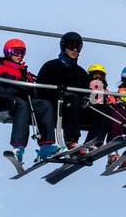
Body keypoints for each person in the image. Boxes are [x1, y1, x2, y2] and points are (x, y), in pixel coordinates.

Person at [31, 31, 91, 159]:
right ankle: (71, 140)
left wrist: (86, 98)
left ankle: (96, 141)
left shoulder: (81, 73)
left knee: (98, 108)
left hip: (74, 109)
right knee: (72, 98)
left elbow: (86, 91)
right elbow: (40, 90)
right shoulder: (51, 66)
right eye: (71, 45)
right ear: (64, 47)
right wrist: (58, 92)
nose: (75, 49)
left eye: (78, 47)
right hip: (53, 105)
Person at [0, 38, 35, 165]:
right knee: (22, 106)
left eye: (22, 52)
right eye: (16, 51)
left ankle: (47, 145)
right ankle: (18, 148)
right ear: (8, 52)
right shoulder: (2, 69)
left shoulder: (24, 72)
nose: (20, 55)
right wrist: (15, 92)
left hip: (26, 102)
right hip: (9, 102)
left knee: (45, 105)